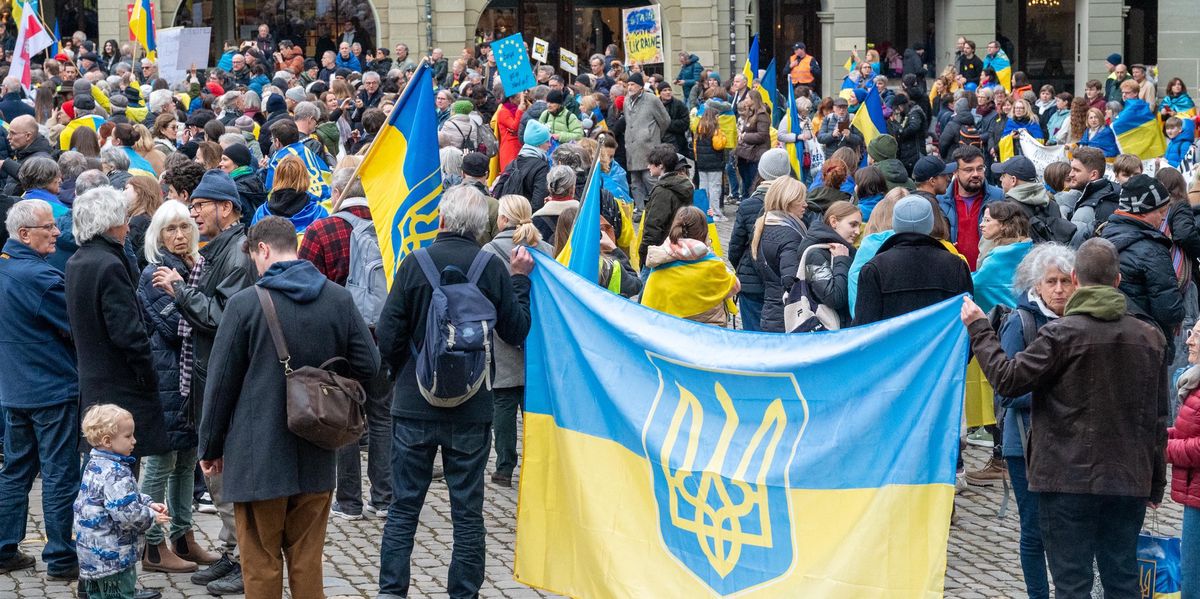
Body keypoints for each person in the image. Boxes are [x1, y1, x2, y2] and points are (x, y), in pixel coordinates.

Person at [961, 237, 1167, 599]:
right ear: (1118, 280)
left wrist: (979, 328)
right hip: (1125, 477)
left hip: (1065, 479)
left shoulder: (1060, 334)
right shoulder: (1149, 336)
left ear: (1075, 278)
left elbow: (1007, 380)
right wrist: (1155, 482)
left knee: (1072, 584)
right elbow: (1157, 418)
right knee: (1122, 579)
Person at [198, 215, 379, 599]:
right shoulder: (338, 298)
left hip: (257, 457)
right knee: (307, 564)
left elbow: (220, 384)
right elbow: (371, 365)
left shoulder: (245, 304)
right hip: (317, 449)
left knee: (261, 566)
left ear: (262, 249)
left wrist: (210, 448)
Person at [375, 185, 533, 598]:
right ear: (482, 226)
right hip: (472, 404)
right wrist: (519, 282)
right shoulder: (491, 267)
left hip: (413, 404)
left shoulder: (414, 264)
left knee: (404, 507)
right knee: (467, 512)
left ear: (441, 220)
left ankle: (392, 592)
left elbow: (388, 335)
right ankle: (463, 593)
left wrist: (402, 376)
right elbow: (516, 332)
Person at [152, 168, 253, 595]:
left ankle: (245, 562)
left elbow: (220, 317)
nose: (193, 216)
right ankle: (233, 555)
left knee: (227, 477)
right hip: (208, 375)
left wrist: (179, 290)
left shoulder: (237, 252)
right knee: (216, 473)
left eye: (199, 207)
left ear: (225, 208)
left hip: (222, 376)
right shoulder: (219, 249)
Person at [986, 243, 1078, 599]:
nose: (1058, 290)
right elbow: (1005, 391)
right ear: (1036, 285)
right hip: (1024, 443)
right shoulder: (1020, 323)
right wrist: (1058, 395)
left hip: (1068, 445)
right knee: (1034, 530)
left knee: (1066, 528)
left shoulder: (1078, 321)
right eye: (1050, 282)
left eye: (1064, 282)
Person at [136, 201, 220, 574]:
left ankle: (183, 537)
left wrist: (185, 294)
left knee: (187, 459)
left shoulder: (194, 268)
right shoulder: (154, 274)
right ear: (158, 235)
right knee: (160, 461)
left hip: (189, 379)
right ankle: (152, 546)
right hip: (166, 378)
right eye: (170, 229)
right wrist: (188, 297)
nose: (180, 235)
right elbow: (174, 328)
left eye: (185, 227)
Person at [0, 200, 80, 580]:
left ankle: (3, 548)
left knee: (16, 470)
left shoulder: (6, 266)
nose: (57, 232)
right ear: (25, 234)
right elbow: (76, 325)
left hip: (15, 389)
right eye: (49, 227)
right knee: (59, 474)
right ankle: (62, 557)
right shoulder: (39, 278)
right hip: (50, 388)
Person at [65, 186, 169, 459]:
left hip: (94, 382)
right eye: (124, 221)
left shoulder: (77, 261)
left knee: (99, 470)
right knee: (119, 471)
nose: (128, 228)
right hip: (119, 387)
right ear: (110, 223)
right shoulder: (109, 264)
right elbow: (127, 333)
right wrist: (148, 374)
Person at [482, 195, 554, 487]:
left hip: (502, 332)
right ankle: (538, 463)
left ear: (502, 218)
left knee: (503, 402)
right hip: (537, 333)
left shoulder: (489, 250)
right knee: (533, 404)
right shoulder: (546, 249)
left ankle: (504, 466)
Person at [74, 404, 172, 598]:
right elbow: (127, 514)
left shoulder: (94, 464)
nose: (134, 441)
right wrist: (152, 516)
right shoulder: (116, 473)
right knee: (120, 594)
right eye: (128, 436)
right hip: (113, 556)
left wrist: (147, 502)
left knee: (97, 595)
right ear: (107, 441)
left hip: (91, 555)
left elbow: (120, 496)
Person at [1100, 174, 1186, 365]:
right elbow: (1169, 311)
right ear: (1143, 211)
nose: (1164, 217)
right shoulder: (1152, 250)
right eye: (1162, 211)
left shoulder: (1101, 236)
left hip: (1105, 342)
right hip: (1145, 346)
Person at [855, 195, 974, 325]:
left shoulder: (874, 269)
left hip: (894, 344)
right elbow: (968, 319)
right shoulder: (956, 266)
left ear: (895, 224)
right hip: (943, 344)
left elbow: (864, 326)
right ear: (931, 223)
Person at [727, 149, 792, 332]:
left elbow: (735, 249)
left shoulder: (749, 205)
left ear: (762, 172)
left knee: (753, 336)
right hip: (784, 282)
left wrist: (744, 269)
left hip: (752, 284)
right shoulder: (796, 203)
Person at [641, 206, 740, 325]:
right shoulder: (712, 265)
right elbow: (735, 286)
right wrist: (711, 253)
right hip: (708, 333)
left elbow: (649, 305)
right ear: (703, 232)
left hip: (668, 333)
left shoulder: (659, 264)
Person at [750, 177, 809, 332]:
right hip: (785, 316)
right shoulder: (790, 234)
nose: (805, 204)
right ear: (786, 201)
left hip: (770, 310)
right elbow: (791, 280)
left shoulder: (764, 225)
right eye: (800, 200)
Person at [937, 145, 1004, 270]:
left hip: (987, 273)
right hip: (954, 272)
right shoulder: (941, 200)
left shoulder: (998, 197)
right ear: (955, 172)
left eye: (980, 169)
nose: (976, 174)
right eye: (968, 170)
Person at [796, 200, 861, 326]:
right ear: (833, 222)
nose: (858, 231)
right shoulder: (815, 254)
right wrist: (841, 260)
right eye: (853, 225)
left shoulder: (844, 250)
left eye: (859, 226)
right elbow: (834, 298)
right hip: (828, 330)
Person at [624, 73, 670, 211]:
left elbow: (665, 120)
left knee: (650, 179)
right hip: (632, 147)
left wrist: (652, 134)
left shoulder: (651, 100)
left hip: (648, 146)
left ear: (640, 87)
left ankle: (658, 208)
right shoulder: (627, 101)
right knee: (635, 182)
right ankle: (640, 209)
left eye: (633, 84)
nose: (630, 87)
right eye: (628, 85)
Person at [639, 145, 694, 261]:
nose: (648, 166)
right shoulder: (681, 185)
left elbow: (654, 225)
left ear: (661, 165)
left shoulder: (663, 190)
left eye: (651, 163)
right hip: (677, 246)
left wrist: (644, 254)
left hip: (660, 250)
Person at [252, 155, 329, 235]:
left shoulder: (261, 214)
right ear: (305, 177)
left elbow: (253, 244)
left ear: (276, 177)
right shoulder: (317, 213)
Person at [496, 121, 552, 211]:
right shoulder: (541, 167)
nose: (550, 144)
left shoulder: (512, 163)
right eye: (547, 141)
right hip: (525, 218)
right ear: (538, 144)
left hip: (508, 214)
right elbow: (538, 202)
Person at [1065, 146, 1120, 235]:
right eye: (1071, 169)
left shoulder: (1086, 211)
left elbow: (1073, 247)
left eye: (1076, 170)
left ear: (1093, 175)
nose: (1071, 174)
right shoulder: (1114, 192)